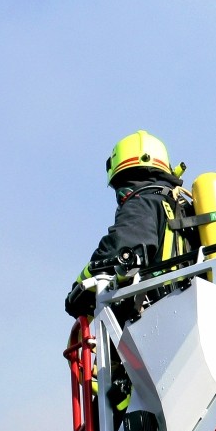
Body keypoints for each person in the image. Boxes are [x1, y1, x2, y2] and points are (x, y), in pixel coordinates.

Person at [65, 130, 190, 318]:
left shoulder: (143, 201)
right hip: (188, 305)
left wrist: (78, 291)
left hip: (159, 313)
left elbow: (122, 248)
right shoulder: (183, 206)